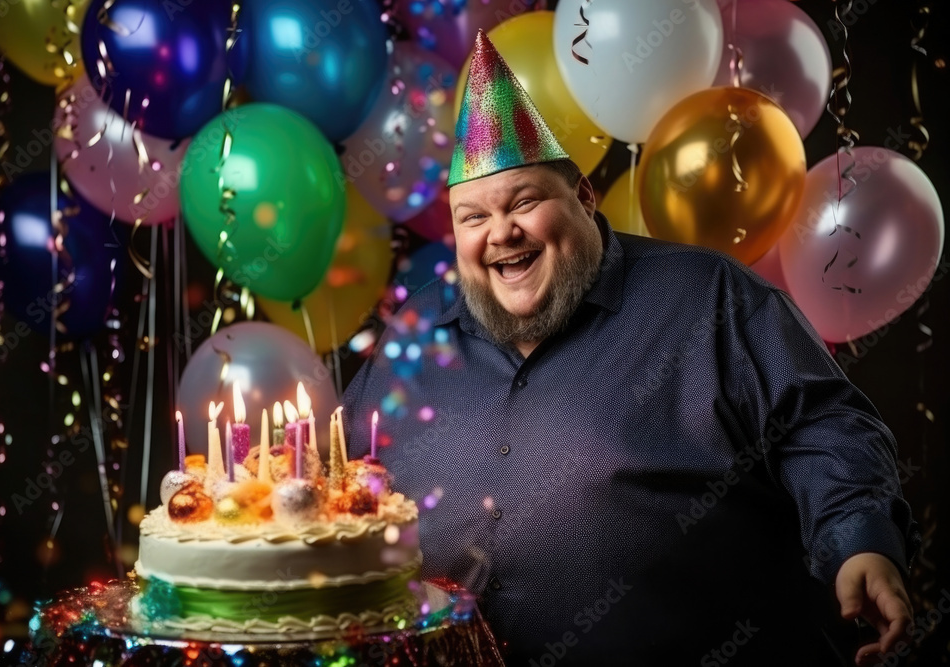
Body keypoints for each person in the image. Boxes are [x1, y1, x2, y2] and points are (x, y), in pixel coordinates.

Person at [343, 31, 919, 666]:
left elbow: (825, 424)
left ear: (584, 198)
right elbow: (339, 470)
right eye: (473, 218)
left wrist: (859, 539)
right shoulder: (419, 327)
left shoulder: (706, 297)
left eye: (525, 202)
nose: (501, 234)